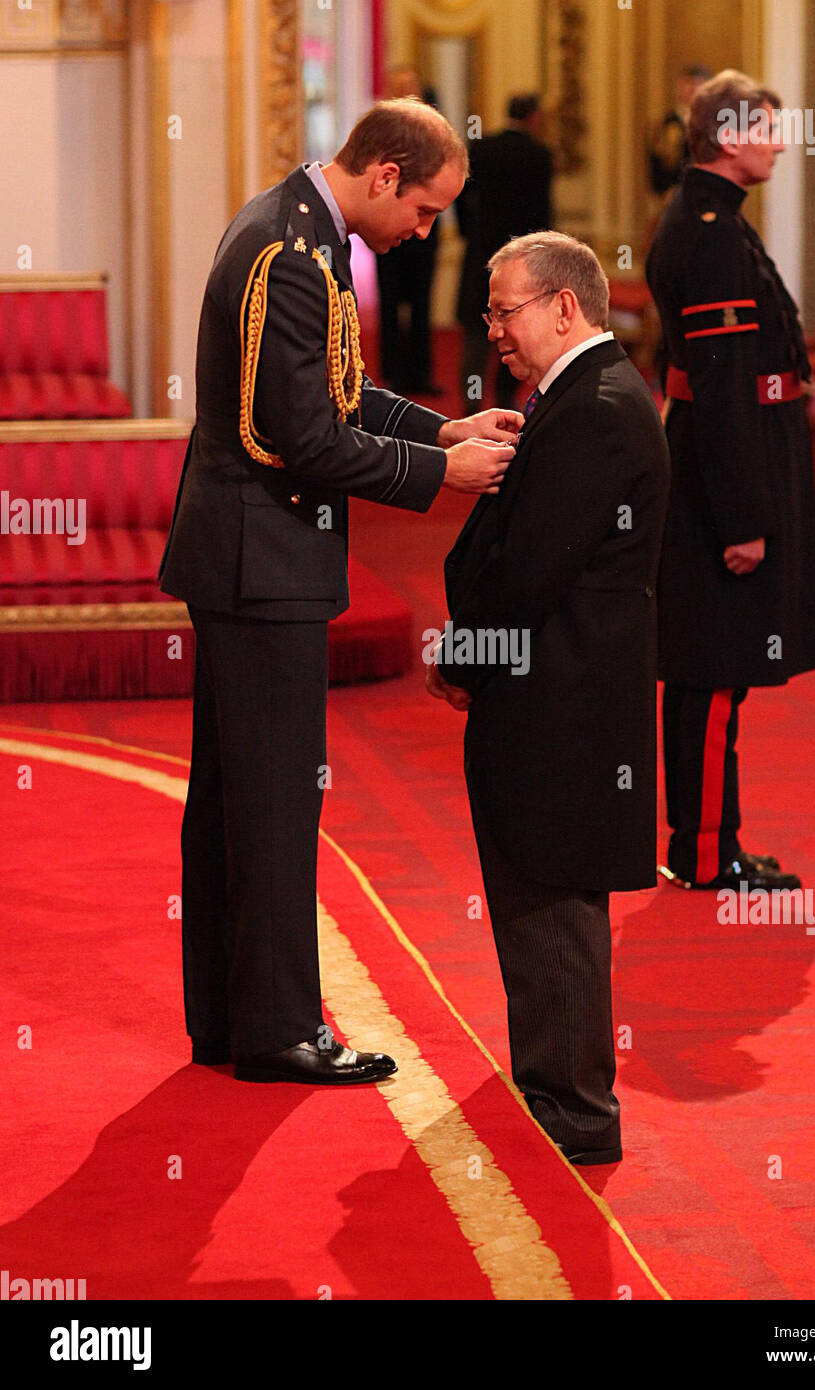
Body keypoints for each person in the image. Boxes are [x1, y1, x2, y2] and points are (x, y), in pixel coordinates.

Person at [159, 98, 519, 1085]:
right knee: (271, 800)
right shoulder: (295, 255)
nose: (427, 232)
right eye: (430, 209)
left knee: (237, 796)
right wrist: (438, 478)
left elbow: (339, 391)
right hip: (259, 559)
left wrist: (442, 430)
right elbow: (305, 439)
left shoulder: (297, 227)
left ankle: (231, 1019)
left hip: (250, 555)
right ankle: (278, 1029)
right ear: (388, 174)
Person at [427, 232, 670, 1165]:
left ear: (564, 307)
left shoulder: (596, 407)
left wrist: (461, 657)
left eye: (503, 310)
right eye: (489, 312)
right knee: (535, 890)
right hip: (555, 691)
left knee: (552, 900)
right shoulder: (579, 395)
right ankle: (550, 1086)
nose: (492, 329)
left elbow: (529, 571)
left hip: (563, 700)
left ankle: (573, 1109)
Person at [645, 69, 815, 892]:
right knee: (715, 670)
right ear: (728, 136)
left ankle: (703, 843)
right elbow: (722, 386)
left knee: (705, 668)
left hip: (722, 454)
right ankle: (703, 851)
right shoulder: (713, 232)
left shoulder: (707, 218)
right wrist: (742, 520)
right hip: (728, 468)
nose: (779, 142)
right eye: (766, 127)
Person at [455, 94, 553, 409]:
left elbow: (460, 194)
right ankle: (505, 403)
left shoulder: (482, 149)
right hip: (521, 257)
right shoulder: (539, 155)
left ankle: (471, 404)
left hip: (480, 253)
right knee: (515, 330)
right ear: (534, 117)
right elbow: (543, 213)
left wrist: (465, 230)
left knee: (475, 334)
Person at [374, 67, 443, 395]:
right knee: (390, 303)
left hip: (424, 230)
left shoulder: (434, 132)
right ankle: (393, 374)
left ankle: (421, 373)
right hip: (387, 225)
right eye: (400, 88)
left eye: (411, 88)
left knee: (421, 304)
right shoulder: (380, 132)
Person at [647, 64, 712, 196]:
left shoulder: (715, 125)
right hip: (674, 196)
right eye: (688, 83)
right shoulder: (664, 124)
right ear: (679, 88)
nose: (693, 89)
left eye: (698, 84)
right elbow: (657, 164)